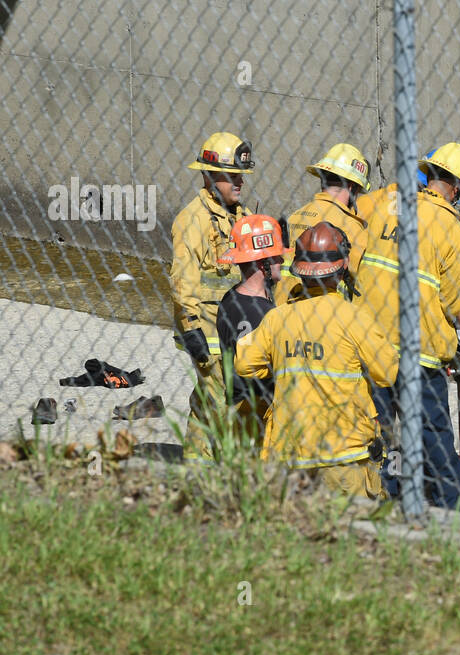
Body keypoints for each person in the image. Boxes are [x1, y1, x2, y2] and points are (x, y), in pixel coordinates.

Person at [234, 223, 397, 497]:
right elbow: (387, 373)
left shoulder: (278, 317)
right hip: (344, 454)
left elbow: (244, 363)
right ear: (342, 267)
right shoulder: (354, 317)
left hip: (292, 452)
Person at [357, 142, 460, 508]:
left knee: (379, 427)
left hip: (372, 342)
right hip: (418, 352)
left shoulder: (388, 206)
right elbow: (456, 302)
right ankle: (453, 504)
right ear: (455, 188)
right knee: (433, 432)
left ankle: (384, 495)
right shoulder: (450, 227)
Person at [170, 131, 254, 463]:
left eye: (241, 176)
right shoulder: (193, 220)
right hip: (207, 334)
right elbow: (182, 282)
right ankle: (214, 468)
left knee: (211, 402)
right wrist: (191, 332)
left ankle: (198, 463)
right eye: (231, 176)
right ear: (209, 175)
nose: (239, 183)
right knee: (220, 402)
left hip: (237, 330)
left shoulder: (241, 217)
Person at [216, 214, 285, 446]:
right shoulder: (262, 315)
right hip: (256, 413)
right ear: (261, 262)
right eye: (276, 256)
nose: (282, 261)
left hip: (235, 410)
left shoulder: (230, 298)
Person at [276, 143, 372, 306]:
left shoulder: (295, 217)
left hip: (283, 312)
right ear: (352, 187)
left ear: (323, 179)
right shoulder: (351, 228)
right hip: (326, 316)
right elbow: (360, 284)